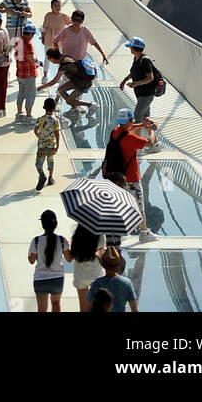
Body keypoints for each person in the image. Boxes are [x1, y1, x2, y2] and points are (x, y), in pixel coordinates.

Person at [102, 109, 159, 241]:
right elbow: (150, 143)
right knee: (139, 206)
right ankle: (144, 233)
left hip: (118, 177)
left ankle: (119, 232)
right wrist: (152, 130)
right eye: (132, 120)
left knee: (120, 205)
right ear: (129, 121)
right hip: (132, 177)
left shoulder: (115, 132)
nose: (133, 121)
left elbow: (127, 128)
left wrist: (142, 125)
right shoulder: (131, 138)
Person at [28, 208, 71, 313]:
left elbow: (31, 260)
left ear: (42, 224)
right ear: (55, 223)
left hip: (40, 279)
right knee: (56, 303)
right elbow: (69, 259)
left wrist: (31, 253)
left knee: (41, 309)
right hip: (57, 278)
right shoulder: (62, 240)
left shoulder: (36, 240)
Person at [85, 246, 138, 313]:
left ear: (103, 264)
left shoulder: (96, 283)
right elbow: (134, 309)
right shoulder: (126, 283)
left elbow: (88, 307)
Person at [119, 37, 161, 121]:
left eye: (131, 47)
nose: (130, 48)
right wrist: (125, 80)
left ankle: (138, 134)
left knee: (137, 118)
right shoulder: (136, 58)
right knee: (146, 119)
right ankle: (152, 131)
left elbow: (150, 77)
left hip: (146, 94)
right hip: (140, 94)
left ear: (135, 48)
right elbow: (134, 72)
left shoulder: (145, 61)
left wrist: (137, 83)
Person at [70, 225, 106, 311]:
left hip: (80, 275)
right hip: (97, 274)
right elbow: (102, 253)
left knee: (83, 307)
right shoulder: (100, 235)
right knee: (97, 308)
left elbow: (73, 255)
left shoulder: (76, 236)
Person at [15, 21, 42, 123]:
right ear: (30, 34)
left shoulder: (18, 41)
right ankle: (29, 117)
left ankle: (19, 114)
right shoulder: (29, 44)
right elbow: (31, 59)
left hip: (20, 73)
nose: (33, 36)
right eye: (33, 34)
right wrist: (37, 60)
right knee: (30, 95)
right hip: (28, 74)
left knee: (21, 93)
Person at [33, 97, 60, 190]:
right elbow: (57, 133)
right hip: (51, 145)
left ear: (44, 107)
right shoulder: (55, 121)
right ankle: (50, 178)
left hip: (42, 145)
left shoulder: (39, 119)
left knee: (38, 163)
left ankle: (42, 174)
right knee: (50, 160)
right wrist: (57, 146)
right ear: (54, 108)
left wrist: (40, 137)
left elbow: (35, 130)